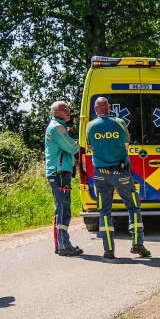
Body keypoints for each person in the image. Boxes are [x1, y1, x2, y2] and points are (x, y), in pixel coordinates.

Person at [86, 96, 151, 259]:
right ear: (109, 107)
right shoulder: (120, 123)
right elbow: (127, 145)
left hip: (101, 174)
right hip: (121, 172)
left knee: (104, 211)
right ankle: (137, 244)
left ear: (96, 109)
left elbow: (89, 147)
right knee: (133, 207)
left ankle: (108, 250)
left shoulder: (90, 126)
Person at [45, 100, 84, 256]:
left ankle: (61, 245)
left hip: (58, 172)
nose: (68, 111)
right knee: (62, 209)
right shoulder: (57, 127)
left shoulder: (57, 127)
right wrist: (78, 144)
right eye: (65, 109)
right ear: (56, 113)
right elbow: (72, 148)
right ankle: (64, 246)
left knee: (61, 208)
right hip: (59, 172)